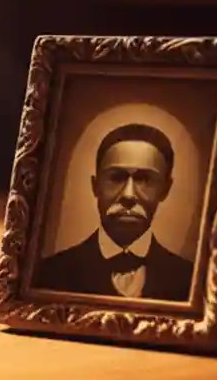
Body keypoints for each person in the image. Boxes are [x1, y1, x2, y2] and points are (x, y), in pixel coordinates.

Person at [34, 123, 194, 300]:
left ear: (165, 189)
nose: (129, 195)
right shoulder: (49, 274)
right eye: (116, 178)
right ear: (95, 186)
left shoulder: (191, 282)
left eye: (145, 180)